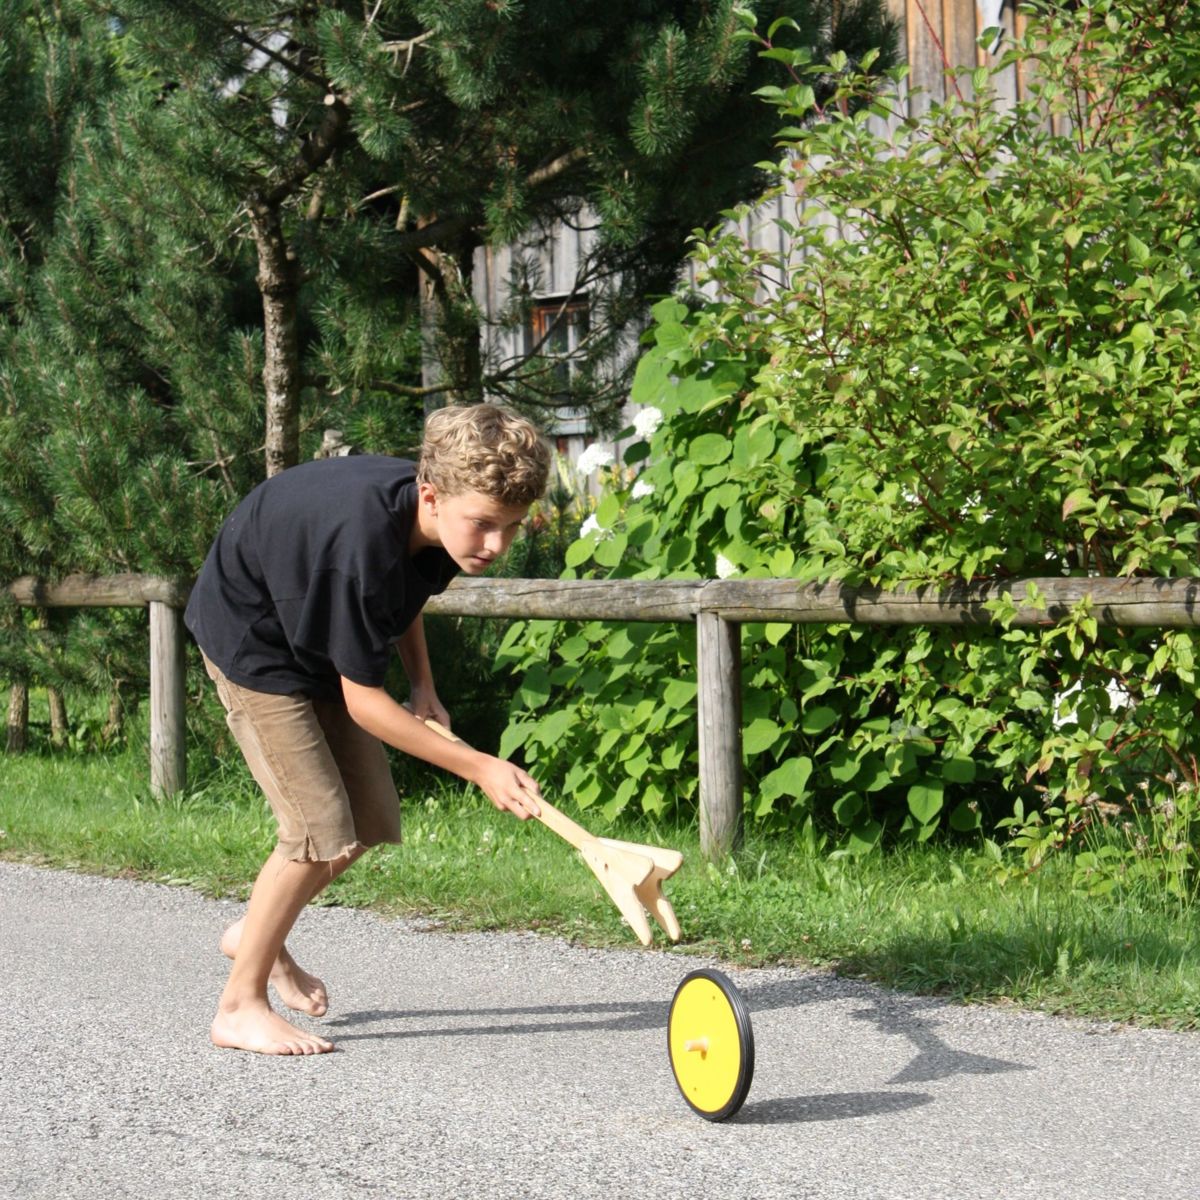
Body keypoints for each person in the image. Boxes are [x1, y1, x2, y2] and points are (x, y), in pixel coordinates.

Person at [185, 403, 551, 1056]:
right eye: (486, 525)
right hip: (256, 638)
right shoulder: (361, 543)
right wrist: (479, 766)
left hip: (314, 626)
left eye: (513, 528)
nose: (496, 545)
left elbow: (395, 599)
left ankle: (255, 932)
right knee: (316, 828)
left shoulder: (434, 527)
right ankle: (237, 1007)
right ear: (432, 495)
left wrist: (423, 686)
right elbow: (363, 702)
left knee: (371, 820)